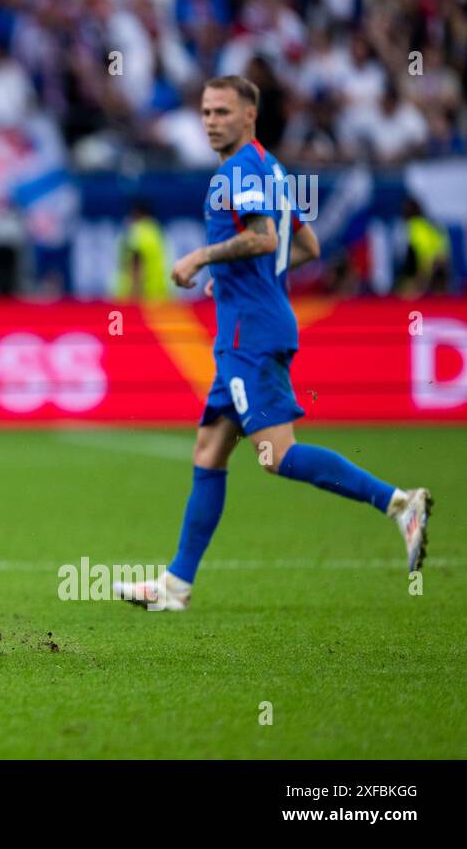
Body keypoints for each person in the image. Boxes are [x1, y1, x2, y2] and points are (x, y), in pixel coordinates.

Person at [115, 77, 431, 611]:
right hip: (249, 324)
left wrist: (202, 259)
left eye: (222, 112)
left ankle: (400, 503)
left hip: (251, 334)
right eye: (206, 111)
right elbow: (302, 244)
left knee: (275, 454)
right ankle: (176, 584)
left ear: (249, 117)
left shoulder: (240, 171)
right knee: (210, 450)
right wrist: (244, 275)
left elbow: (263, 237)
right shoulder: (271, 169)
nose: (211, 120)